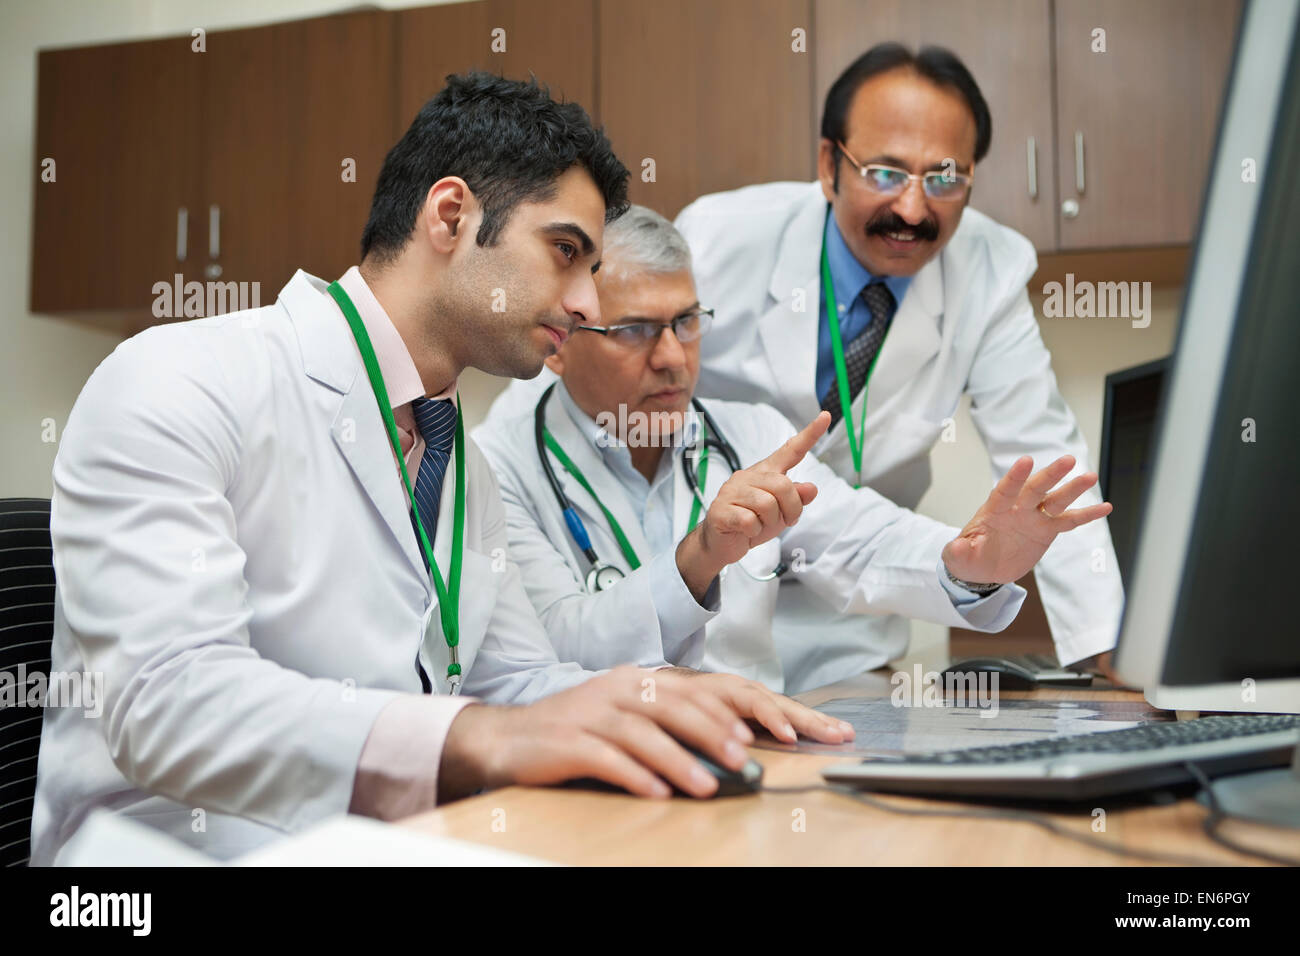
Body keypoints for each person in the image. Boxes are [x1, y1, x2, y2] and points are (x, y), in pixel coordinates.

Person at [30, 74, 847, 866]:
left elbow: (517, 678)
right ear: (451, 216)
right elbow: (167, 705)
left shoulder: (455, 450)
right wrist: (481, 736)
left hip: (379, 840)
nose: (588, 307)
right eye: (566, 253)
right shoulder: (180, 380)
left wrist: (664, 698)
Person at [484, 44, 1123, 686]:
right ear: (829, 164)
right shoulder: (721, 235)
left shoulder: (987, 269)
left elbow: (1038, 462)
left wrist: (1093, 640)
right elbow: (576, 345)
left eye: (945, 177)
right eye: (884, 171)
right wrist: (518, 448)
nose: (911, 207)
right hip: (674, 612)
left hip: (835, 628)